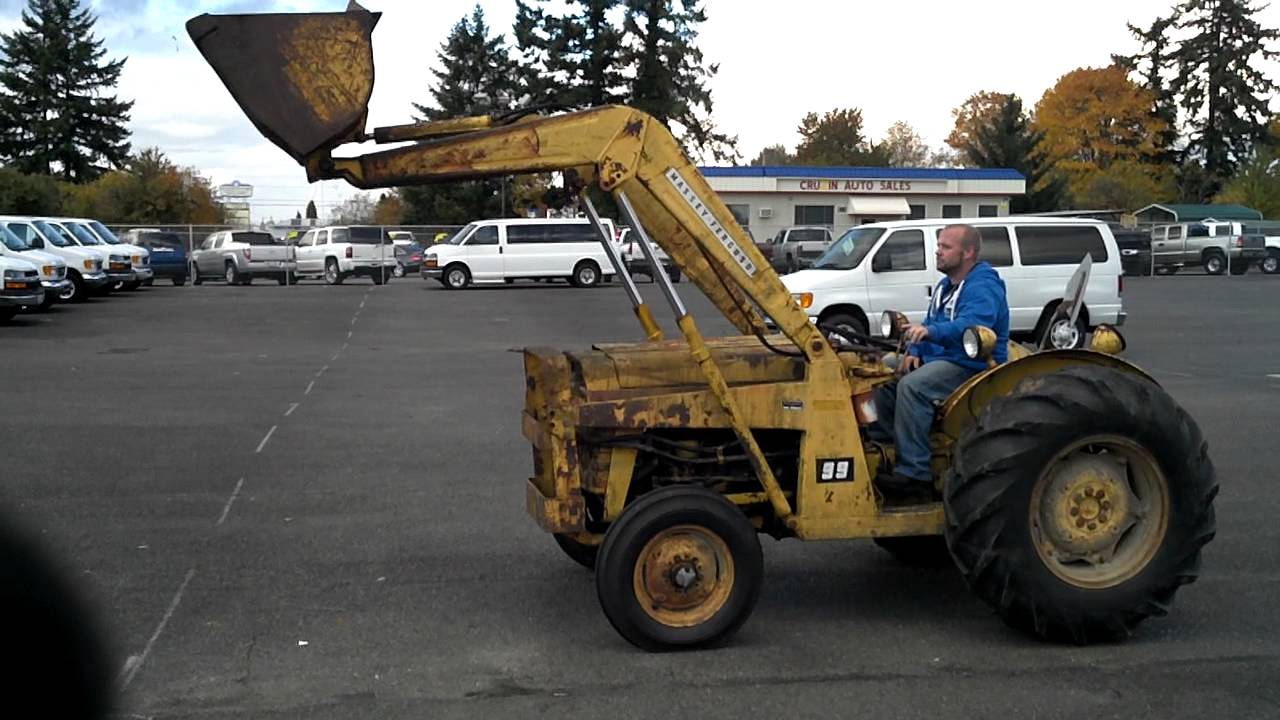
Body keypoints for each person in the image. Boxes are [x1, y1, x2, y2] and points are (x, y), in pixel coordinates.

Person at [873, 223, 1010, 503]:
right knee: (882, 369)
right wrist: (915, 348)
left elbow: (971, 324)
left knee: (913, 386)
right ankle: (886, 447)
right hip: (943, 356)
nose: (937, 251)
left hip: (972, 365)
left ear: (968, 252)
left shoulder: (983, 286)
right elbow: (931, 322)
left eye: (946, 247)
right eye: (939, 245)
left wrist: (930, 334)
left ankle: (915, 475)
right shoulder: (945, 286)